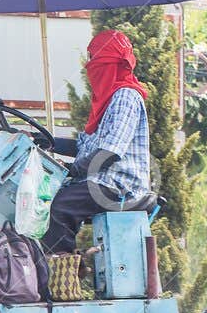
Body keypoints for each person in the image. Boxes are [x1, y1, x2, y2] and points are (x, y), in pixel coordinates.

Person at [42, 29, 154, 254]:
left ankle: (63, 271)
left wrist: (72, 170)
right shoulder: (107, 101)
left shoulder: (125, 96)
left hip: (121, 184)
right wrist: (49, 142)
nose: (89, 67)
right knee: (43, 200)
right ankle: (66, 263)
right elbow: (84, 147)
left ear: (108, 63)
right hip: (102, 179)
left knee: (60, 207)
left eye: (93, 59)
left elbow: (110, 153)